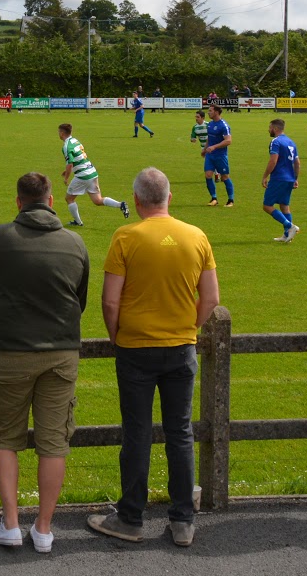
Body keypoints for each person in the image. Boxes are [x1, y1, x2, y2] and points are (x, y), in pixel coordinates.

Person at [88, 167, 219, 548]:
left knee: (137, 432)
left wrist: (117, 336)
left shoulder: (126, 236)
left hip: (135, 348)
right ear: (169, 198)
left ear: (139, 201)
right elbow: (210, 299)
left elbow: (111, 300)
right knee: (180, 432)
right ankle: (182, 521)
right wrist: (188, 329)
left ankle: (130, 517)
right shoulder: (196, 236)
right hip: (180, 348)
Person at [0, 171, 88, 553]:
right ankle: (44, 529)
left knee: (4, 436)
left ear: (18, 202)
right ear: (50, 202)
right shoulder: (74, 242)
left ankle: (11, 524)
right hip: (62, 354)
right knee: (53, 442)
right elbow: (79, 300)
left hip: (12, 351)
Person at [57, 123, 128, 225]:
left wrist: (66, 178)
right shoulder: (75, 141)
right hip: (92, 172)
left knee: (69, 198)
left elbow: (70, 164)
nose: (58, 134)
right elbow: (79, 158)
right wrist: (69, 170)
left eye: (59, 132)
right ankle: (120, 204)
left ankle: (78, 222)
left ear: (62, 133)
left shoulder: (66, 146)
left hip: (83, 176)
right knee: (97, 200)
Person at [262, 118, 302, 242]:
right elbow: (297, 163)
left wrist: (265, 176)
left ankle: (290, 226)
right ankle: (287, 236)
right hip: (289, 178)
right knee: (284, 206)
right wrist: (295, 178)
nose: (269, 130)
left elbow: (273, 160)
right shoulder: (291, 142)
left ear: (275, 128)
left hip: (279, 177)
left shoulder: (276, 142)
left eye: (270, 127)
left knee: (267, 206)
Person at [202, 103, 235, 207]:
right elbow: (209, 138)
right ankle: (214, 198)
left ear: (216, 112)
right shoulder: (210, 124)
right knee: (208, 175)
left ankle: (230, 200)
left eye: (210, 111)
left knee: (225, 177)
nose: (208, 113)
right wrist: (205, 149)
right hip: (210, 155)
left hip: (220, 156)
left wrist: (214, 147)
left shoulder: (223, 125)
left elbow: (228, 141)